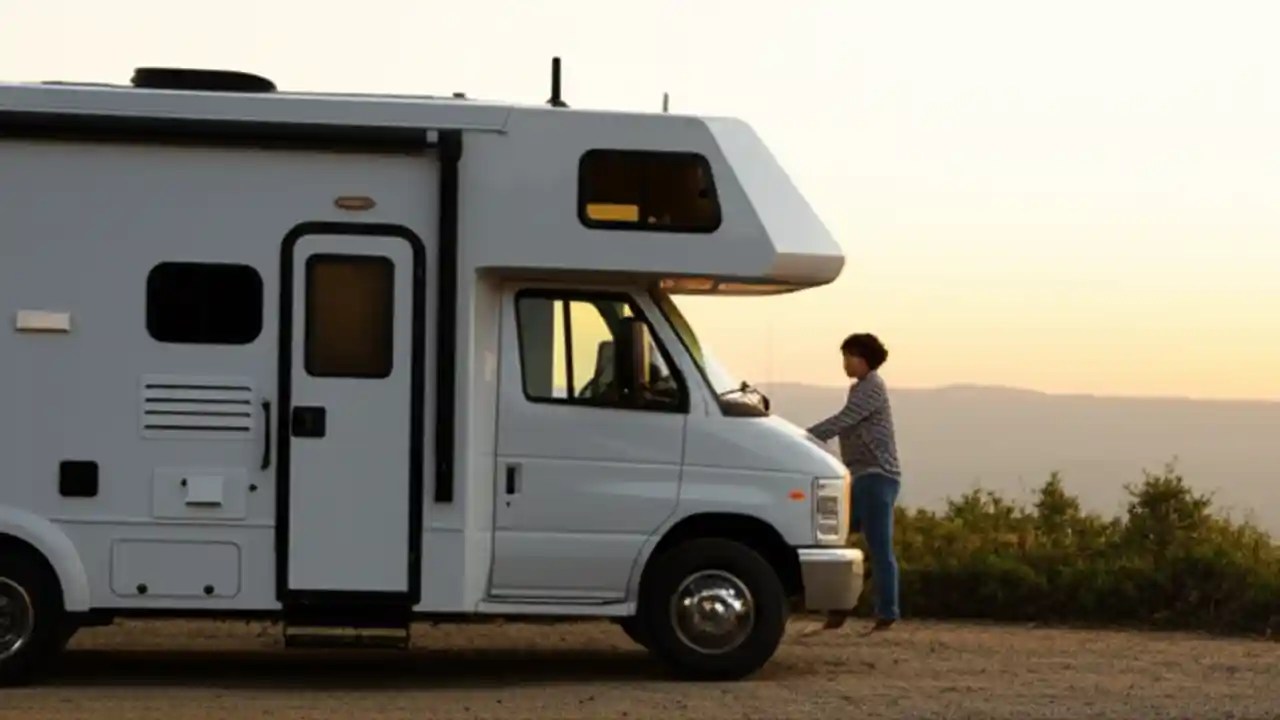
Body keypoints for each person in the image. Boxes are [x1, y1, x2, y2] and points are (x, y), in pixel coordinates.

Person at [806, 332, 901, 633]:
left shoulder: (871, 388)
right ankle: (843, 609)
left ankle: (885, 611)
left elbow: (844, 420)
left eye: (849, 357)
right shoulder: (860, 388)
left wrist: (804, 439)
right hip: (861, 476)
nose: (845, 363)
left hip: (876, 476)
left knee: (878, 547)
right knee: (842, 539)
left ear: (864, 360)